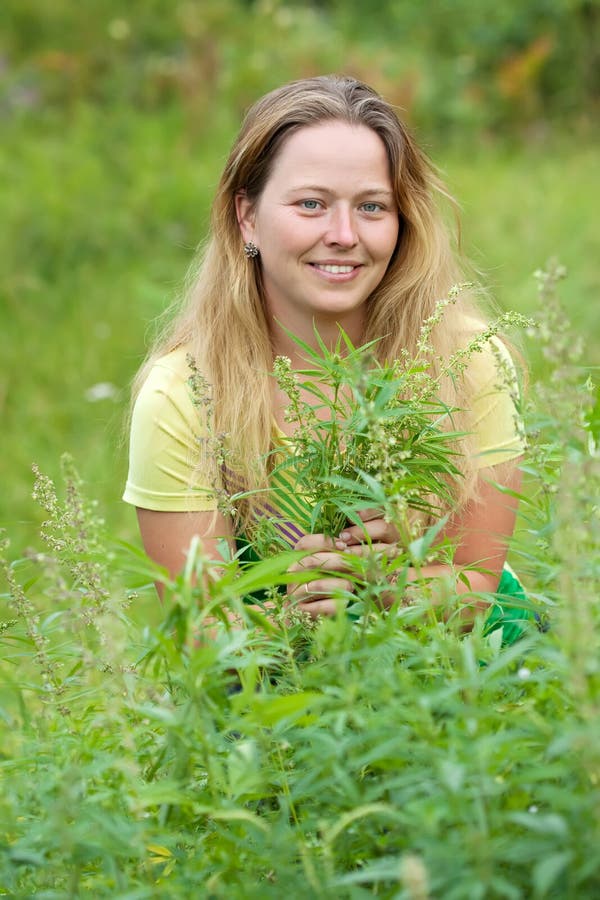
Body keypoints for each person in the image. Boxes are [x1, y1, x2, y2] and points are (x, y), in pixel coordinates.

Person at [123, 74, 530, 642]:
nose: (343, 234)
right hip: (277, 705)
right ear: (247, 216)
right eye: (311, 204)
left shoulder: (467, 360)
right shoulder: (185, 390)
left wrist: (390, 590)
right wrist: (299, 616)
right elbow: (200, 637)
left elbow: (474, 585)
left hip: (467, 673)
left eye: (371, 206)